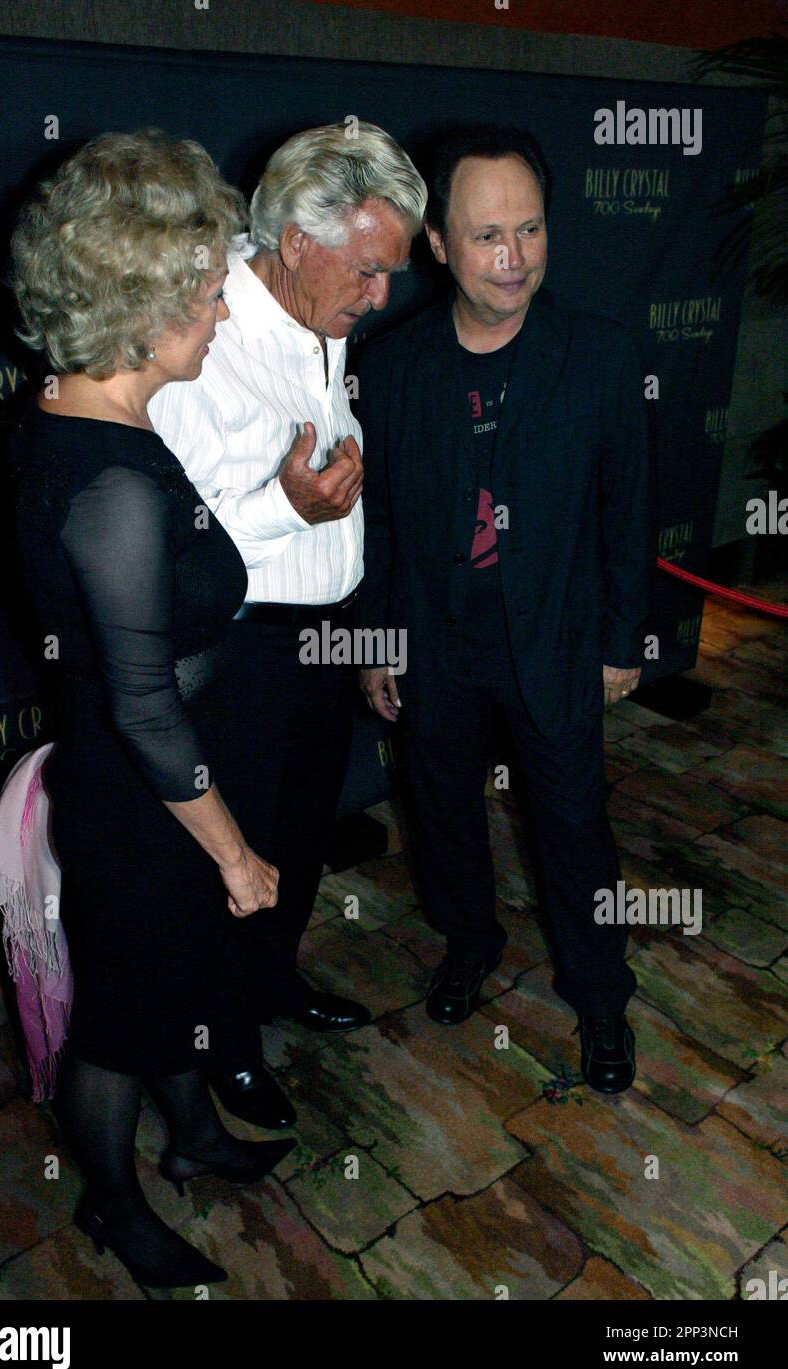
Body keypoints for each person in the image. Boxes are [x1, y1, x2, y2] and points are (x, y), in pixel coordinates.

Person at [4, 129, 299, 1289]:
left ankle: (196, 1138)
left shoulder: (71, 418)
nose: (222, 311)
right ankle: (114, 1206)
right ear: (142, 303)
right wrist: (231, 851)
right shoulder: (117, 481)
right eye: (207, 289)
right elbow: (140, 704)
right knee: (124, 1016)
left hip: (154, 771)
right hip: (147, 796)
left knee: (178, 978)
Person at [356, 125, 654, 1094]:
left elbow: (627, 513)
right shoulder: (393, 368)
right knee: (441, 815)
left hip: (556, 647)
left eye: (528, 231)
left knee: (574, 829)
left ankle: (600, 992)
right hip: (437, 648)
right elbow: (380, 522)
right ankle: (468, 942)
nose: (513, 258)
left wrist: (619, 641)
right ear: (436, 245)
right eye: (487, 236)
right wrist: (373, 644)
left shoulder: (601, 358)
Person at [149, 122, 427, 1129]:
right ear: (297, 240)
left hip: (322, 630)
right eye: (367, 270)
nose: (380, 296)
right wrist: (287, 509)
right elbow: (167, 527)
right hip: (236, 644)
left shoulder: (327, 313)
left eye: (390, 271)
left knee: (304, 835)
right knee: (239, 857)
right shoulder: (202, 322)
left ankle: (271, 986)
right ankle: (219, 1040)